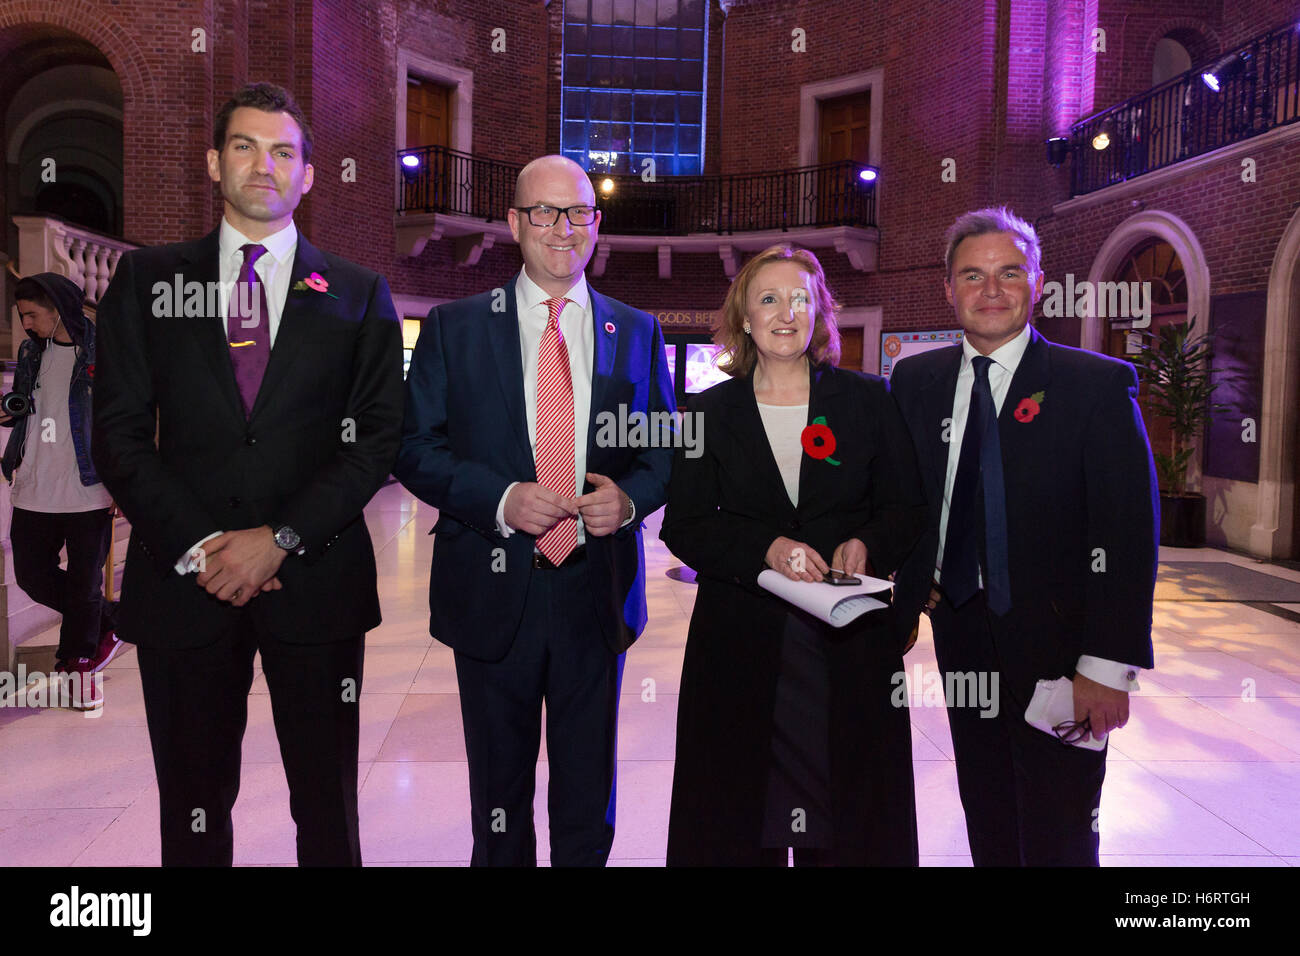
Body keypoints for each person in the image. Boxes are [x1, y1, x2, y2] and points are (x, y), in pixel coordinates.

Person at [92, 82, 404, 866]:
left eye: (283, 152)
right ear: (213, 163)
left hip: (318, 582)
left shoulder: (359, 295)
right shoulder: (148, 280)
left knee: (327, 805)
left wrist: (281, 540)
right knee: (193, 808)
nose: (264, 165)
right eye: (244, 146)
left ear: (307, 175)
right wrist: (205, 546)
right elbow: (120, 438)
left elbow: (374, 442)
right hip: (182, 587)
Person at [395, 154, 674, 866]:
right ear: (515, 223)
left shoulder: (637, 331)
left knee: (588, 795)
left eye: (577, 212)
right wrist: (499, 497)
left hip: (595, 590)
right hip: (491, 594)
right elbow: (412, 447)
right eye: (544, 212)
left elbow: (665, 450)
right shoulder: (456, 328)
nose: (562, 228)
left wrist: (632, 499)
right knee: (499, 795)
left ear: (596, 224)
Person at [889, 206, 1158, 866]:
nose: (991, 291)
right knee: (987, 807)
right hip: (961, 632)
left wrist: (1105, 667)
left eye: (1009, 273)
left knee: (1061, 828)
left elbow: (1127, 536)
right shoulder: (916, 382)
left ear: (1038, 283)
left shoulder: (1094, 386)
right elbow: (906, 497)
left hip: (1062, 647)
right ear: (947, 289)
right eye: (972, 275)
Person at [659, 244, 927, 866]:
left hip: (849, 641)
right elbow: (687, 526)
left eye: (801, 298)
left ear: (821, 314)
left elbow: (907, 508)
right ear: (745, 318)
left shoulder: (870, 400)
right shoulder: (707, 411)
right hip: (741, 641)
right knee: (738, 811)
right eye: (769, 299)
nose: (786, 312)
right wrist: (765, 547)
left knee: (850, 812)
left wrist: (870, 543)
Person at [2, 273, 120, 709]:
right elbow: (26, 407)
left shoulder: (103, 351)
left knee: (86, 581)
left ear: (56, 307)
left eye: (32, 314)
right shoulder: (31, 351)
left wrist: (123, 478)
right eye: (22, 316)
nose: (27, 324)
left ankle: (78, 663)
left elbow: (121, 418)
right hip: (34, 483)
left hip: (88, 486)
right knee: (32, 575)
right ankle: (112, 620)